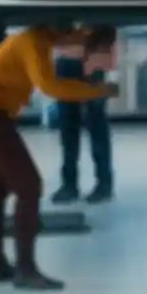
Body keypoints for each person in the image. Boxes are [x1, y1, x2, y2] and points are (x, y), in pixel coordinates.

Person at [0, 24, 119, 291]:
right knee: (29, 186)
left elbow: (51, 82)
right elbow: (51, 87)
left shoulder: (39, 41)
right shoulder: (32, 41)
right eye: (81, 38)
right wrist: (99, 91)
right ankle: (25, 270)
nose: (80, 44)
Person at [50, 51, 114, 205]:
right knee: (69, 125)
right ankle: (70, 184)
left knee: (95, 123)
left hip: (93, 56)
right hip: (68, 57)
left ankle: (102, 184)